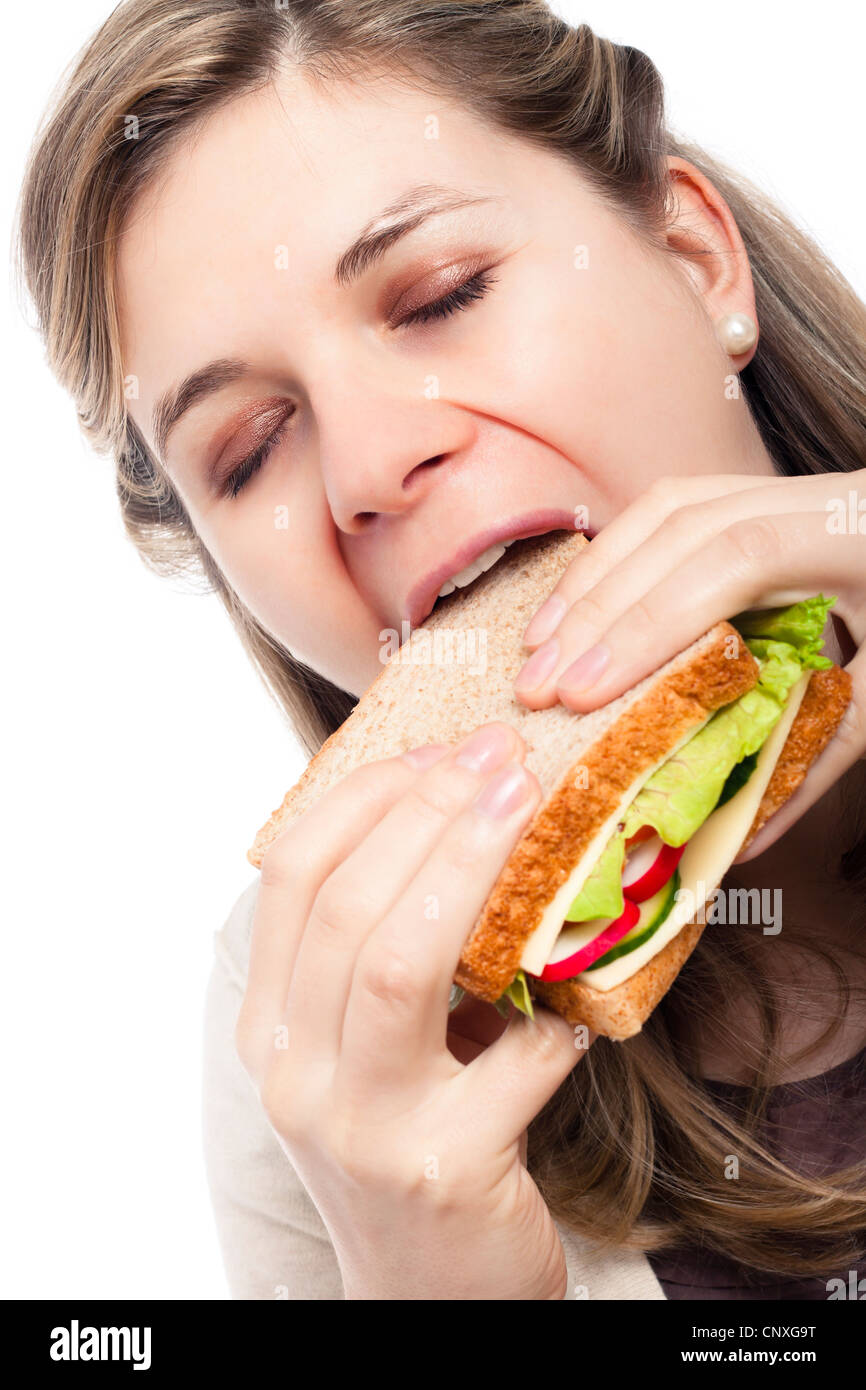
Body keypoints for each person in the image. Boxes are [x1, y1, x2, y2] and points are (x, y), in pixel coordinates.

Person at [16, 0, 866, 1300]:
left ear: (696, 260)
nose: (368, 463)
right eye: (247, 449)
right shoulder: (309, 1041)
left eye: (441, 295)